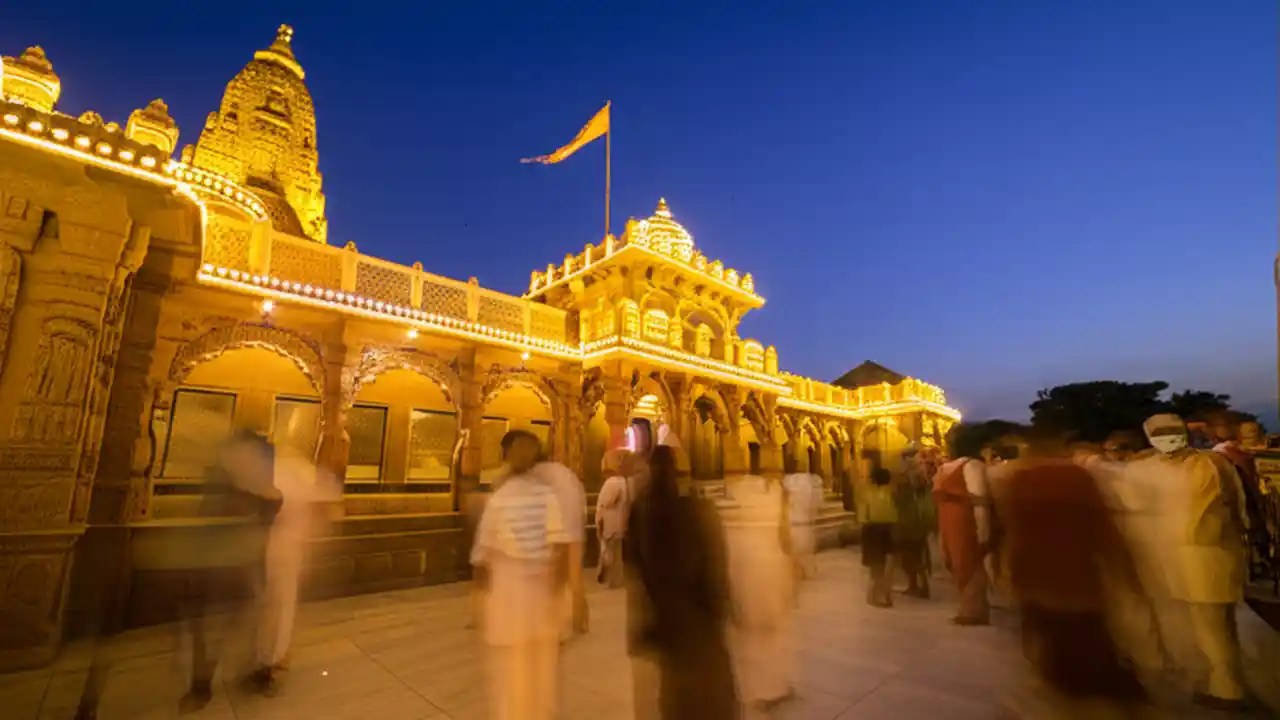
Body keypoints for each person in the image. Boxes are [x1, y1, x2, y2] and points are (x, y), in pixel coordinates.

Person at [1000, 427, 1147, 713]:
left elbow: (1013, 527)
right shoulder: (1077, 477)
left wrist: (1010, 568)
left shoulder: (1021, 477)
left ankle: (1055, 692)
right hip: (1078, 575)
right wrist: (1124, 569)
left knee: (1047, 637)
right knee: (1085, 640)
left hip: (1035, 572)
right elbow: (1103, 526)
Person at [1131, 413, 1250, 712]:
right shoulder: (1212, 462)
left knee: (1209, 627)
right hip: (1218, 555)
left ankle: (1226, 690)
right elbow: (1240, 509)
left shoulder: (1181, 466)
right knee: (1219, 625)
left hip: (1197, 558)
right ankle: (1225, 682)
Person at [626, 446, 738, 719]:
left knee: (673, 691)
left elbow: (634, 567)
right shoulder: (696, 510)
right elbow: (714, 565)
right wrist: (723, 605)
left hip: (664, 616)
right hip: (699, 618)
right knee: (709, 693)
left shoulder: (642, 510)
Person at [181, 429, 283, 713]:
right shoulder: (226, 485)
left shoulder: (261, 492)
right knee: (211, 629)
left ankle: (250, 672)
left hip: (239, 566)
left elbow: (270, 510)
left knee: (234, 625)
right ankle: (204, 683)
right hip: (218, 564)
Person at [471, 429, 570, 720]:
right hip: (531, 606)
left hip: (513, 606)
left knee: (513, 684)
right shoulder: (541, 496)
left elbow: (481, 556)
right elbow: (560, 549)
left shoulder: (501, 498)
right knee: (538, 683)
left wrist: (479, 601)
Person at [247, 445, 340, 695]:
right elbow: (326, 507)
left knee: (271, 606)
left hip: (277, 548)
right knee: (278, 606)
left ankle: (268, 660)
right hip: (282, 549)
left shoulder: (284, 473)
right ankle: (271, 660)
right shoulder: (299, 474)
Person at [724, 472, 795, 711]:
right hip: (765, 587)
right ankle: (771, 688)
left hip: (754, 590)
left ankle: (760, 689)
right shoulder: (765, 531)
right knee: (769, 639)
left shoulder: (739, 534)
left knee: (756, 641)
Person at [932, 427, 991, 625]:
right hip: (955, 519)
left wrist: (982, 527)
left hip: (959, 519)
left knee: (965, 560)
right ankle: (970, 607)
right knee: (960, 560)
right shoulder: (958, 466)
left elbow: (978, 498)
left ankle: (973, 609)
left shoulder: (961, 466)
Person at [531, 455, 589, 637]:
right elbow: (582, 501)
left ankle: (555, 628)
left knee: (553, 583)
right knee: (575, 580)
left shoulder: (535, 474)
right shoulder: (567, 473)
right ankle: (581, 623)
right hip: (575, 531)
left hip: (553, 533)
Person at [894, 447, 934, 598]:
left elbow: (900, 495)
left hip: (909, 519)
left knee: (912, 554)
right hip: (916, 518)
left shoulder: (911, 475)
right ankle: (917, 584)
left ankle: (919, 585)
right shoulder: (919, 474)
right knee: (915, 553)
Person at [859, 467, 898, 607]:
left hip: (872, 529)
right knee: (888, 564)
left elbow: (863, 516)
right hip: (889, 529)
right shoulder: (892, 493)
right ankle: (883, 595)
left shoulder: (867, 493)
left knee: (876, 565)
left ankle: (874, 595)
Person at [596, 449, 634, 588]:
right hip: (619, 522)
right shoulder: (623, 481)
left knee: (610, 552)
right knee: (616, 553)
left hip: (611, 523)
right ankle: (614, 579)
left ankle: (612, 579)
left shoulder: (613, 482)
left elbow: (607, 502)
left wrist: (600, 518)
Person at [783, 471, 821, 582]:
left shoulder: (791, 483)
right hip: (802, 523)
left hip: (796, 522)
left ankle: (800, 571)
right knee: (803, 550)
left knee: (799, 551)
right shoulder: (807, 483)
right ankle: (803, 571)